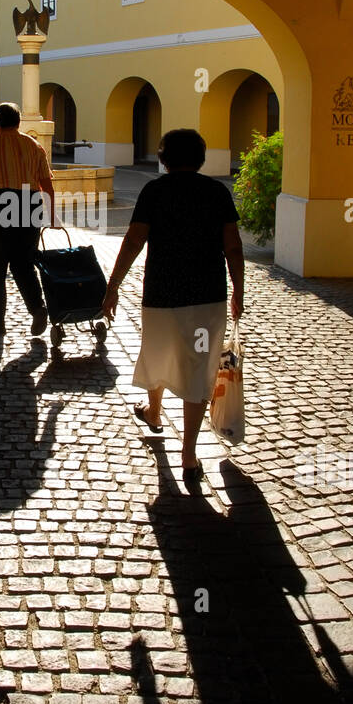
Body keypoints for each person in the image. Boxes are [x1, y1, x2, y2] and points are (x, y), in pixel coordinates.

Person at [101, 128, 244, 488]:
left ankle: (154, 412)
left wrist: (113, 286)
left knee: (158, 354)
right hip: (206, 299)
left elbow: (134, 240)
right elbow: (234, 247)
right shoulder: (216, 192)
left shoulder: (154, 191)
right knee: (198, 368)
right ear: (201, 157)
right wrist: (237, 291)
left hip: (162, 296)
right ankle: (189, 453)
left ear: (163, 159)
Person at [0, 101, 55, 337]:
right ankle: (37, 309)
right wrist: (52, 215)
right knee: (24, 262)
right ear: (18, 122)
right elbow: (46, 183)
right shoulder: (33, 146)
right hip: (28, 204)